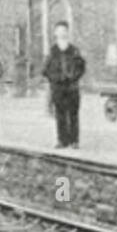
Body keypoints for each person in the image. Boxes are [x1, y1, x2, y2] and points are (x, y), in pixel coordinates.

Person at [42, 21, 85, 149]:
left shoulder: (74, 50)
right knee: (60, 114)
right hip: (58, 88)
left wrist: (74, 77)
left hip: (72, 87)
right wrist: (55, 79)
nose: (62, 33)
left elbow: (81, 67)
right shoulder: (52, 51)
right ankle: (62, 140)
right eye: (59, 31)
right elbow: (45, 69)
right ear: (55, 33)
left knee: (73, 114)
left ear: (67, 33)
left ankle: (74, 140)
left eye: (64, 31)